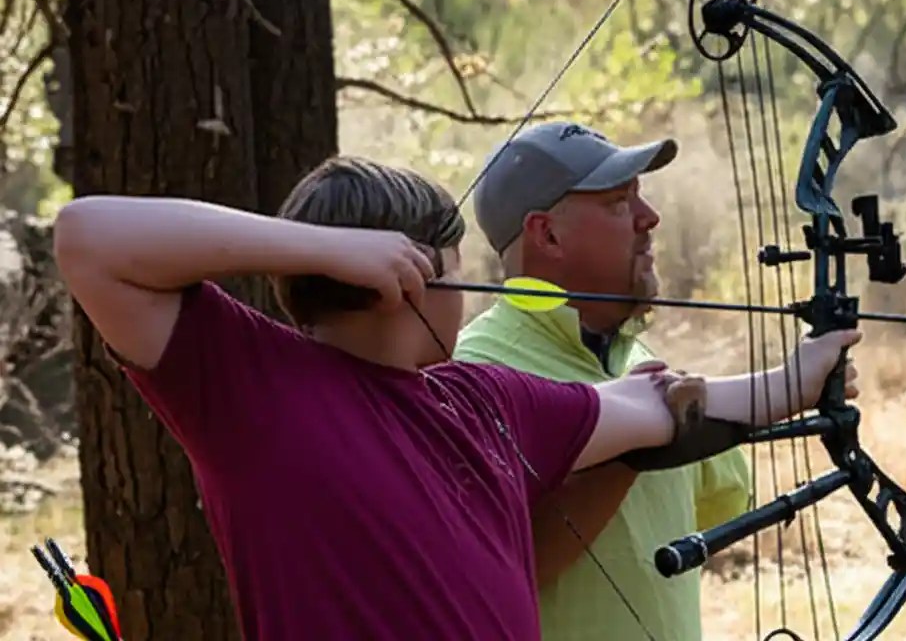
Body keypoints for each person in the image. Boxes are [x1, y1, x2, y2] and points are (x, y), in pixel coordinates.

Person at [51, 155, 861, 641]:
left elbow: (655, 411)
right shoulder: (253, 391)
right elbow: (88, 238)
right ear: (406, 273)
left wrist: (804, 375)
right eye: (457, 267)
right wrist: (319, 245)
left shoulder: (482, 400)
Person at [455, 121, 822, 640]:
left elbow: (725, 494)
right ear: (548, 234)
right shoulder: (477, 372)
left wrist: (803, 379)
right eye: (619, 203)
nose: (650, 218)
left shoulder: (635, 357)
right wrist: (641, 439)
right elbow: (505, 563)